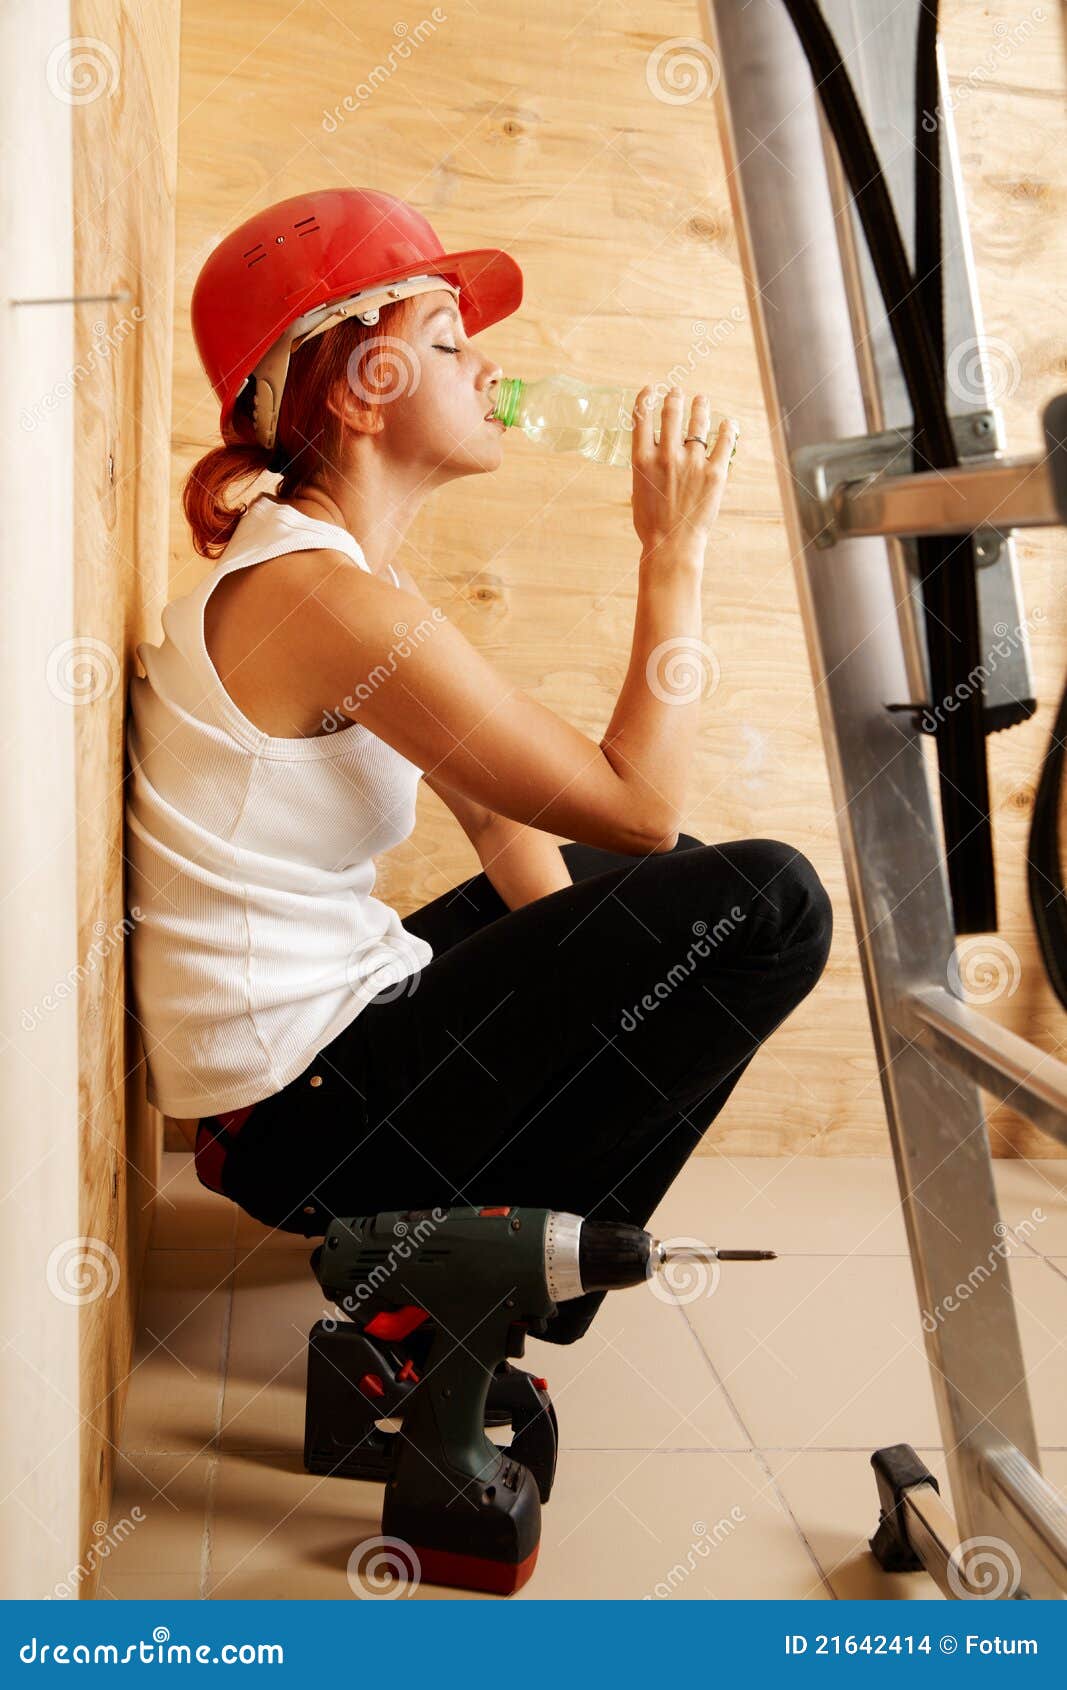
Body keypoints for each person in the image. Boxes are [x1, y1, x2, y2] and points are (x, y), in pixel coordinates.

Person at [125, 186, 832, 1347]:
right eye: (447, 343)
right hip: (298, 1119)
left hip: (329, 1065)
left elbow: (508, 826)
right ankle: (471, 1284)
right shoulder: (319, 600)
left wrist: (585, 1021)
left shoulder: (342, 583)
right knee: (769, 902)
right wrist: (672, 553)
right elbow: (638, 803)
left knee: (666, 892)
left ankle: (498, 1252)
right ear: (363, 388)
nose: (488, 368)